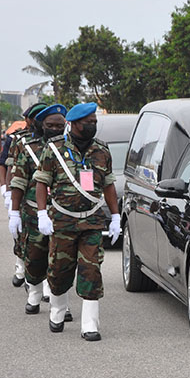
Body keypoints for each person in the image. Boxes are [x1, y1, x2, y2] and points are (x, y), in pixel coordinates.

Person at [34, 102, 121, 342]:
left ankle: (90, 325)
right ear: (74, 124)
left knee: (91, 270)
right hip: (62, 221)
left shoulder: (102, 150)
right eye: (88, 122)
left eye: (94, 121)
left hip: (91, 220)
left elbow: (109, 184)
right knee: (60, 271)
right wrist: (42, 214)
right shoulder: (54, 149)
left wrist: (115, 216)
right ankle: (57, 311)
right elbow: (42, 182)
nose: (92, 125)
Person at [11, 104, 71, 317]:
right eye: (51, 125)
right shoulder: (29, 148)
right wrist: (14, 212)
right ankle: (34, 293)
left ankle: (61, 304)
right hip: (34, 211)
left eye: (60, 125)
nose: (56, 129)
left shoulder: (70, 148)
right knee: (35, 256)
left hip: (64, 213)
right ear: (41, 125)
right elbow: (18, 181)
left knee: (61, 259)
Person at [4, 103, 49, 287]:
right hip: (25, 196)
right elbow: (11, 167)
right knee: (23, 235)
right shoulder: (20, 140)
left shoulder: (57, 141)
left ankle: (45, 282)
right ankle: (21, 266)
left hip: (48, 200)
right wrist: (8, 193)